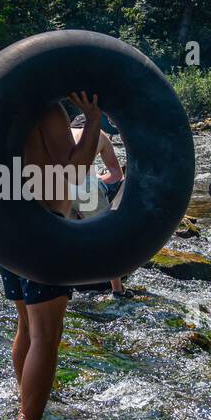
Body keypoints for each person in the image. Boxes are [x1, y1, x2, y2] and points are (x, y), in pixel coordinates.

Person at [2, 91, 103, 420]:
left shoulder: (1, 107)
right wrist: (92, 121)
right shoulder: (46, 108)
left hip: (4, 230)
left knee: (27, 327)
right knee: (46, 334)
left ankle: (25, 403)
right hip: (44, 230)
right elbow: (74, 173)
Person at [71, 114, 126, 296]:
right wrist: (98, 178)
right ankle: (117, 288)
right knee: (105, 236)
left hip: (52, 184)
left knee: (65, 232)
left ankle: (66, 283)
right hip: (86, 186)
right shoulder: (100, 134)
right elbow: (116, 175)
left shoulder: (61, 132)